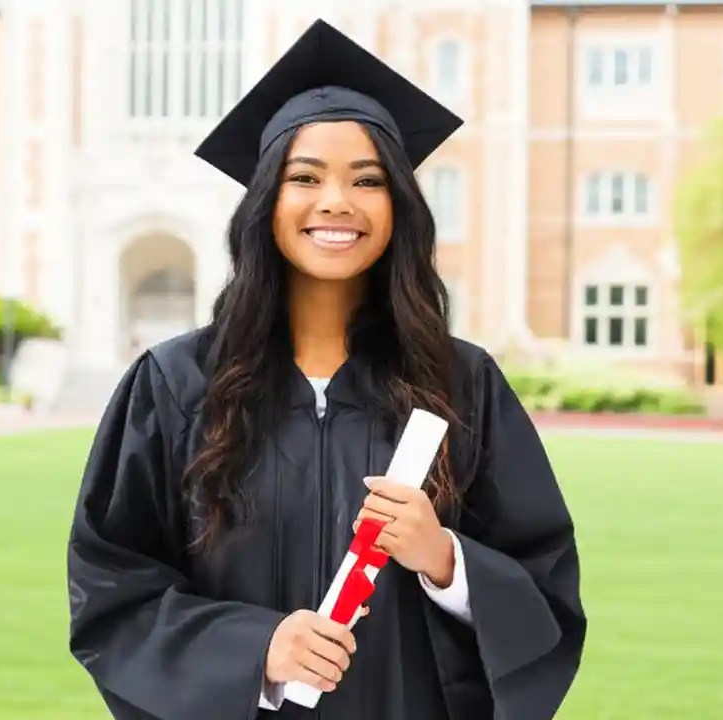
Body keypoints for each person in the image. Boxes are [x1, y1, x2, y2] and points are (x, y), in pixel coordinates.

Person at [67, 19, 585, 720]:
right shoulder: (175, 385)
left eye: (367, 180)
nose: (336, 200)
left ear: (398, 207)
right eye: (304, 177)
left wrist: (447, 561)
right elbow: (112, 591)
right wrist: (255, 651)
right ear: (266, 202)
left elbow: (546, 594)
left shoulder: (462, 384)